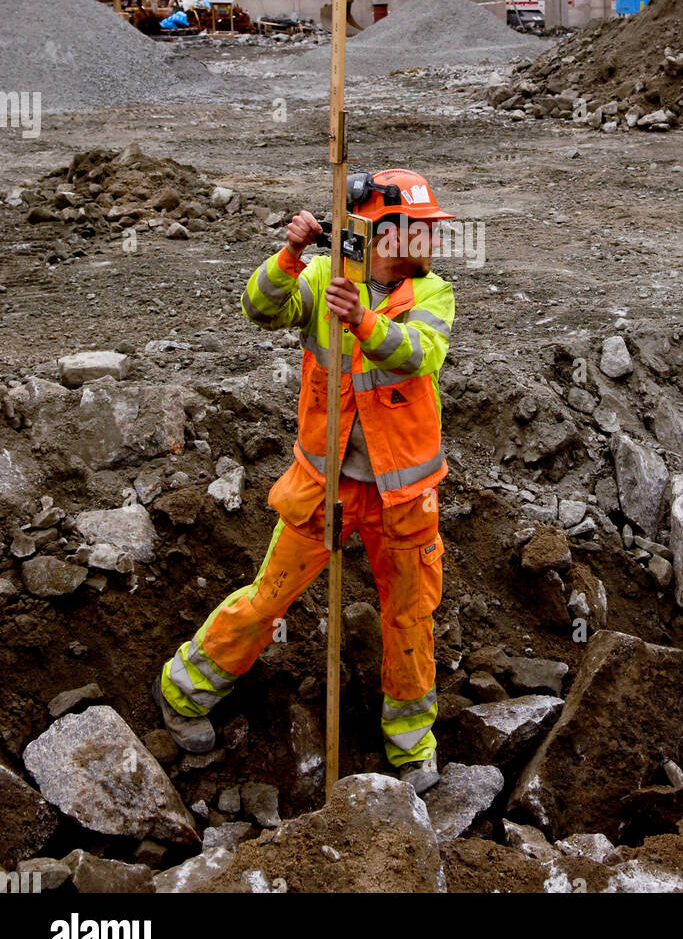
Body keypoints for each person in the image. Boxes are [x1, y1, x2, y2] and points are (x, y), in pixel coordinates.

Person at [153, 169, 456, 794]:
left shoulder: (433, 295)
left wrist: (366, 325)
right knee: (271, 597)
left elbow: (420, 353)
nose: (429, 242)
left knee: (410, 616)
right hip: (325, 488)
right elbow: (259, 309)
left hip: (403, 500)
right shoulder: (323, 278)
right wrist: (291, 255)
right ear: (376, 232)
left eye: (431, 231)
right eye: (417, 230)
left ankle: (409, 742)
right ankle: (184, 690)